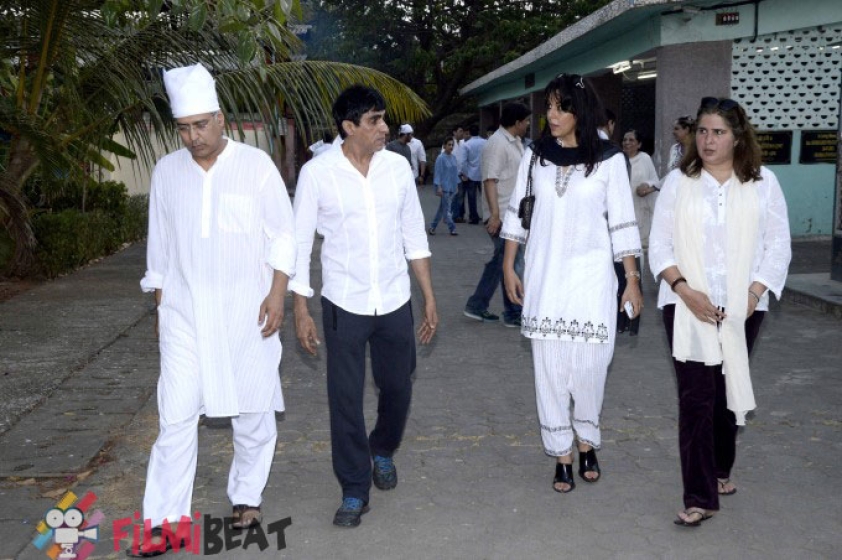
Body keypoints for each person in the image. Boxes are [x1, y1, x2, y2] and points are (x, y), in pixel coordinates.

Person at [133, 63, 296, 556]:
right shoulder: (167, 171)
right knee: (176, 415)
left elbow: (284, 234)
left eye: (200, 125)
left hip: (248, 310)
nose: (192, 137)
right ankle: (164, 522)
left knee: (253, 408)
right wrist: (162, 308)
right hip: (184, 314)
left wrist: (276, 293)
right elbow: (159, 249)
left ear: (221, 119)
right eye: (183, 128)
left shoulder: (256, 166)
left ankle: (247, 497)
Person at [290, 85, 438, 528]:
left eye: (383, 119)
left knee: (398, 387)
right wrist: (301, 308)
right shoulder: (318, 174)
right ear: (348, 127)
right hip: (344, 304)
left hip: (394, 299)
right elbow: (299, 245)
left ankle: (383, 448)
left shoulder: (396, 169)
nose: (384, 128)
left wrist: (429, 297)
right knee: (344, 400)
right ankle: (355, 488)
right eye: (374, 120)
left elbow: (414, 234)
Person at [649, 97, 791, 527]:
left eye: (719, 132)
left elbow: (778, 244)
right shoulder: (679, 182)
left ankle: (721, 469)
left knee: (725, 395)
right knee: (696, 399)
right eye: (703, 131)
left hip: (743, 307)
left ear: (737, 136)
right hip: (687, 306)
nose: (708, 140)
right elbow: (659, 245)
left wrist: (752, 295)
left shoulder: (763, 182)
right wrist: (684, 289)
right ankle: (700, 496)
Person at [502, 74, 643, 494]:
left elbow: (622, 223)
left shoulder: (609, 159)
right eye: (548, 107)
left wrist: (632, 281)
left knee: (590, 369)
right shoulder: (536, 157)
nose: (552, 115)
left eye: (561, 107)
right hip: (545, 277)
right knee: (548, 369)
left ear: (581, 110)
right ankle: (562, 452)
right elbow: (517, 214)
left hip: (592, 280)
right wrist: (510, 266)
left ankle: (587, 441)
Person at [464, 102, 531, 326]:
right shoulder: (497, 144)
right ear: (517, 122)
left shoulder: (516, 143)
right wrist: (494, 215)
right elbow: (490, 180)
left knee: (504, 262)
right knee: (509, 263)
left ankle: (480, 305)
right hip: (502, 214)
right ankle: (511, 312)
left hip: (513, 214)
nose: (529, 125)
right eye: (527, 121)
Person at [616, 129, 660, 335]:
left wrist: (648, 186)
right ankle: (620, 319)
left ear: (639, 144)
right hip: (620, 224)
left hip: (640, 220)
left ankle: (634, 320)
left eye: (631, 140)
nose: (627, 143)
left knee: (635, 274)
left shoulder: (645, 160)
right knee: (620, 274)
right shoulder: (617, 159)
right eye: (624, 139)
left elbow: (656, 181)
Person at [428, 137, 459, 236]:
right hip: (444, 188)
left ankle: (432, 227)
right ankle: (452, 228)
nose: (451, 147)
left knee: (442, 209)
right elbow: (438, 173)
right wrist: (439, 186)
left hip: (452, 187)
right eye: (449, 144)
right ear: (444, 146)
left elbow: (455, 173)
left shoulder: (453, 157)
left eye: (452, 145)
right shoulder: (440, 158)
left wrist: (457, 185)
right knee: (447, 209)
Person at [456, 124, 485, 224]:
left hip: (471, 174)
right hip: (483, 173)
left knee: (471, 197)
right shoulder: (485, 142)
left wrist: (463, 173)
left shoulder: (466, 145)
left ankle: (474, 216)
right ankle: (487, 216)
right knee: (485, 197)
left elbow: (463, 161)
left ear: (470, 133)